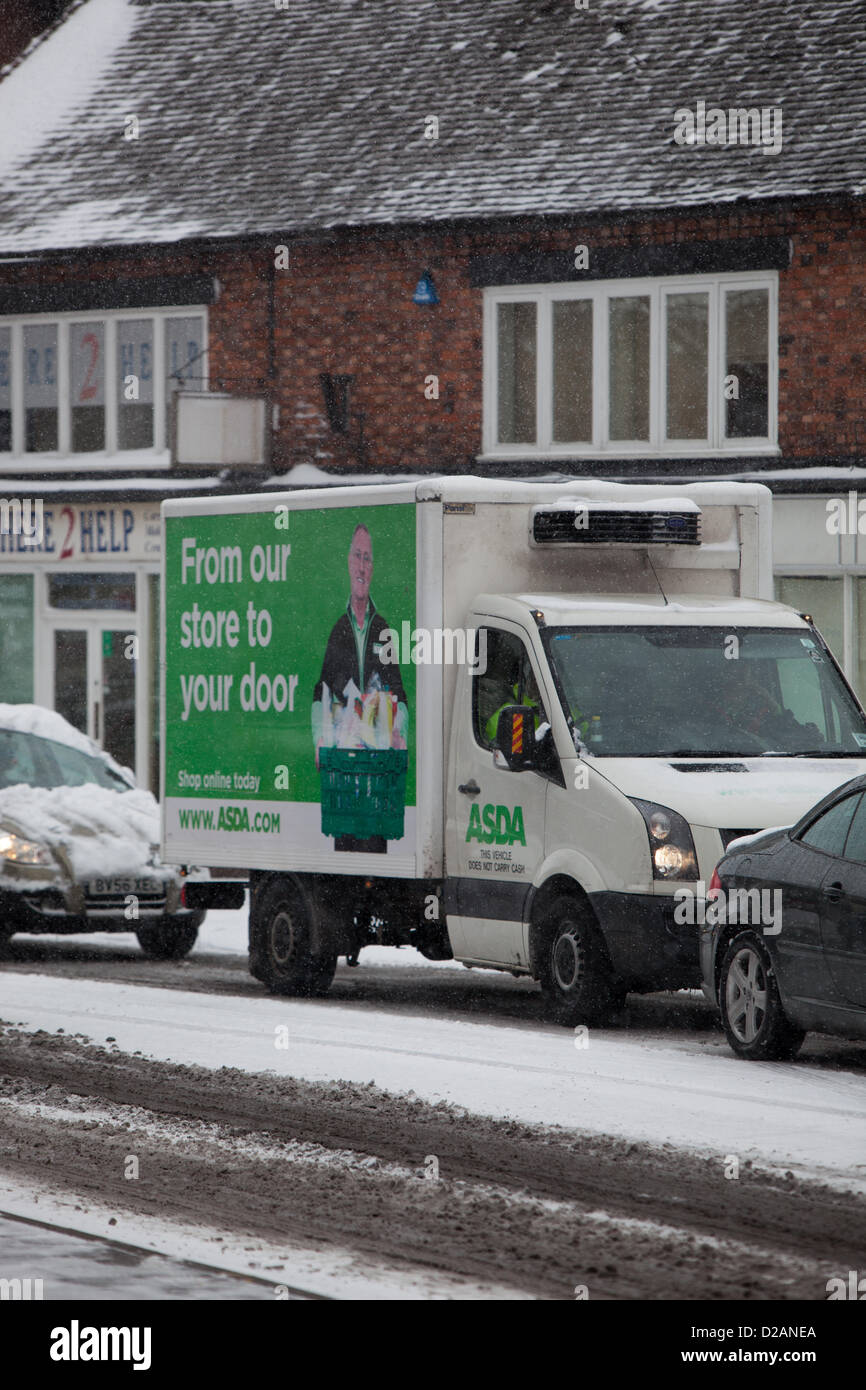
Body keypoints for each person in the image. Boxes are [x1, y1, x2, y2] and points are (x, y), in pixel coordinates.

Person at [312, 522, 409, 852]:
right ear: (348, 562)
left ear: (373, 567)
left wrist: (399, 730)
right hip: (345, 770)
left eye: (368, 558)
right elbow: (321, 690)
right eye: (358, 556)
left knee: (374, 845)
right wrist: (320, 738)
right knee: (347, 842)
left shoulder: (383, 629)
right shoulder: (337, 629)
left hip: (377, 771)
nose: (362, 565)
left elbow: (398, 691)